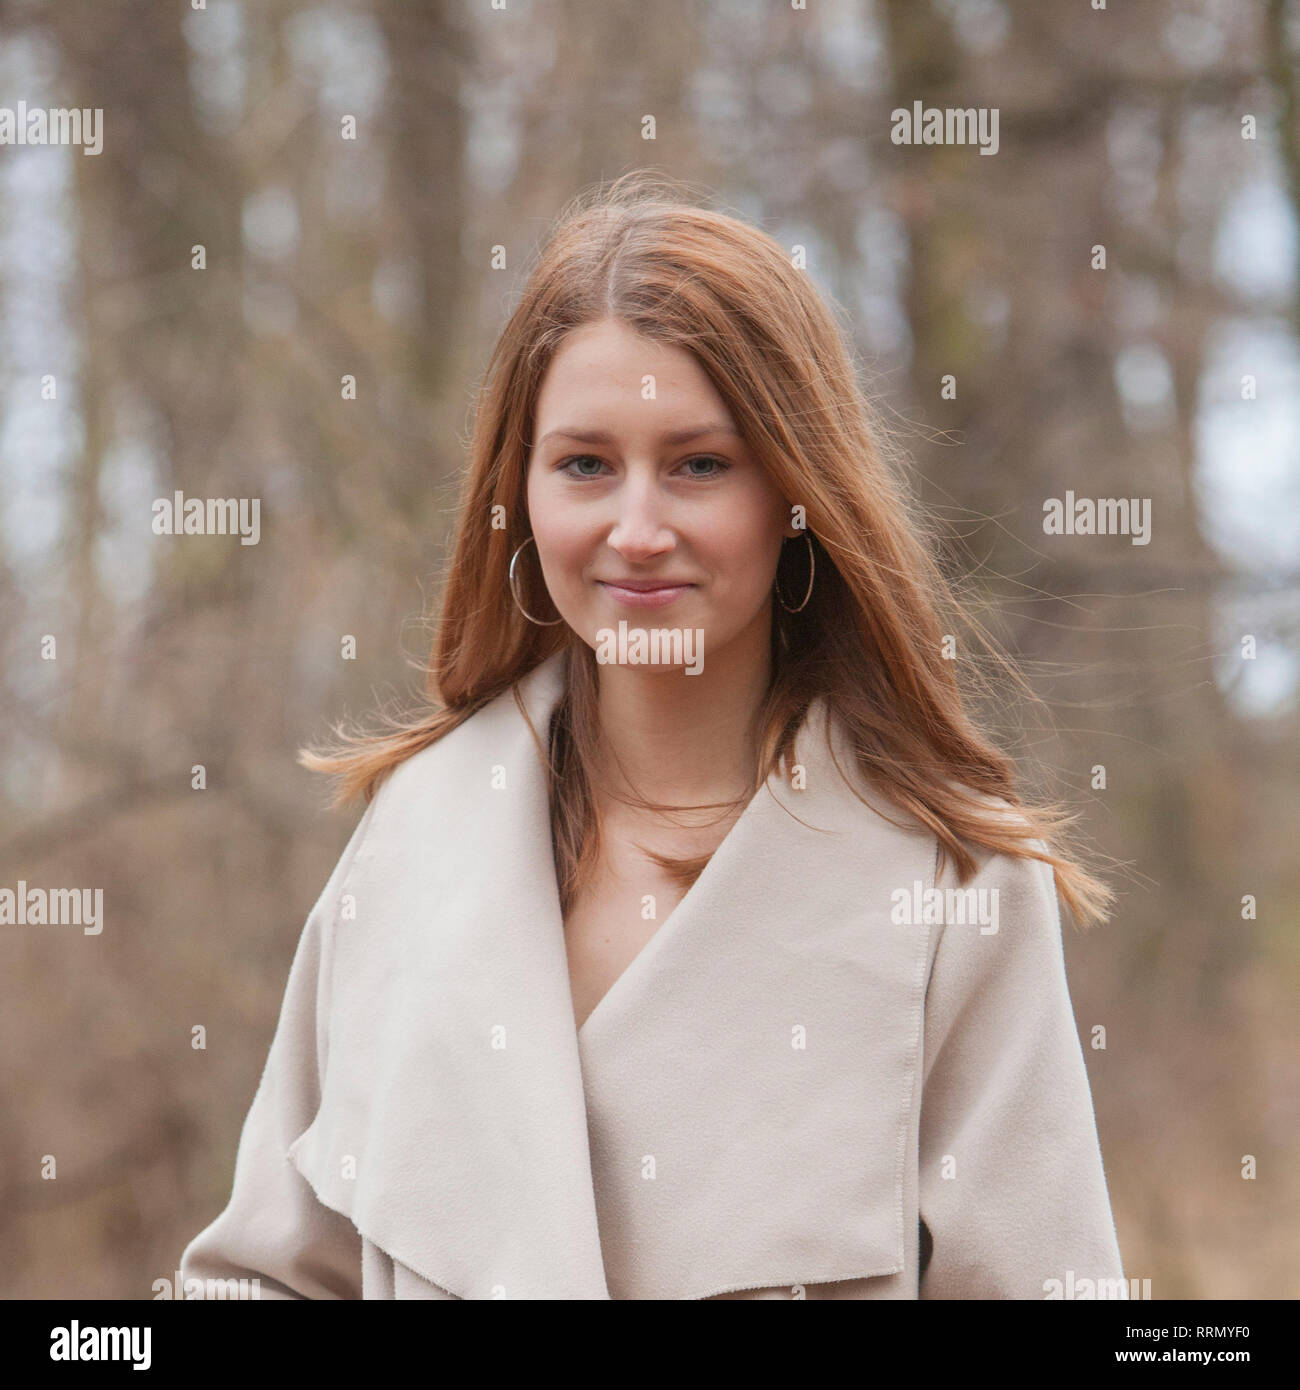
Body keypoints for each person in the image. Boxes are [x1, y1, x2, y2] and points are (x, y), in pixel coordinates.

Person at [179, 171, 1126, 1300]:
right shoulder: (412, 840)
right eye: (584, 463)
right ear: (516, 490)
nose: (636, 530)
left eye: (699, 464)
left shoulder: (954, 885)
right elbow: (268, 1276)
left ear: (796, 489)